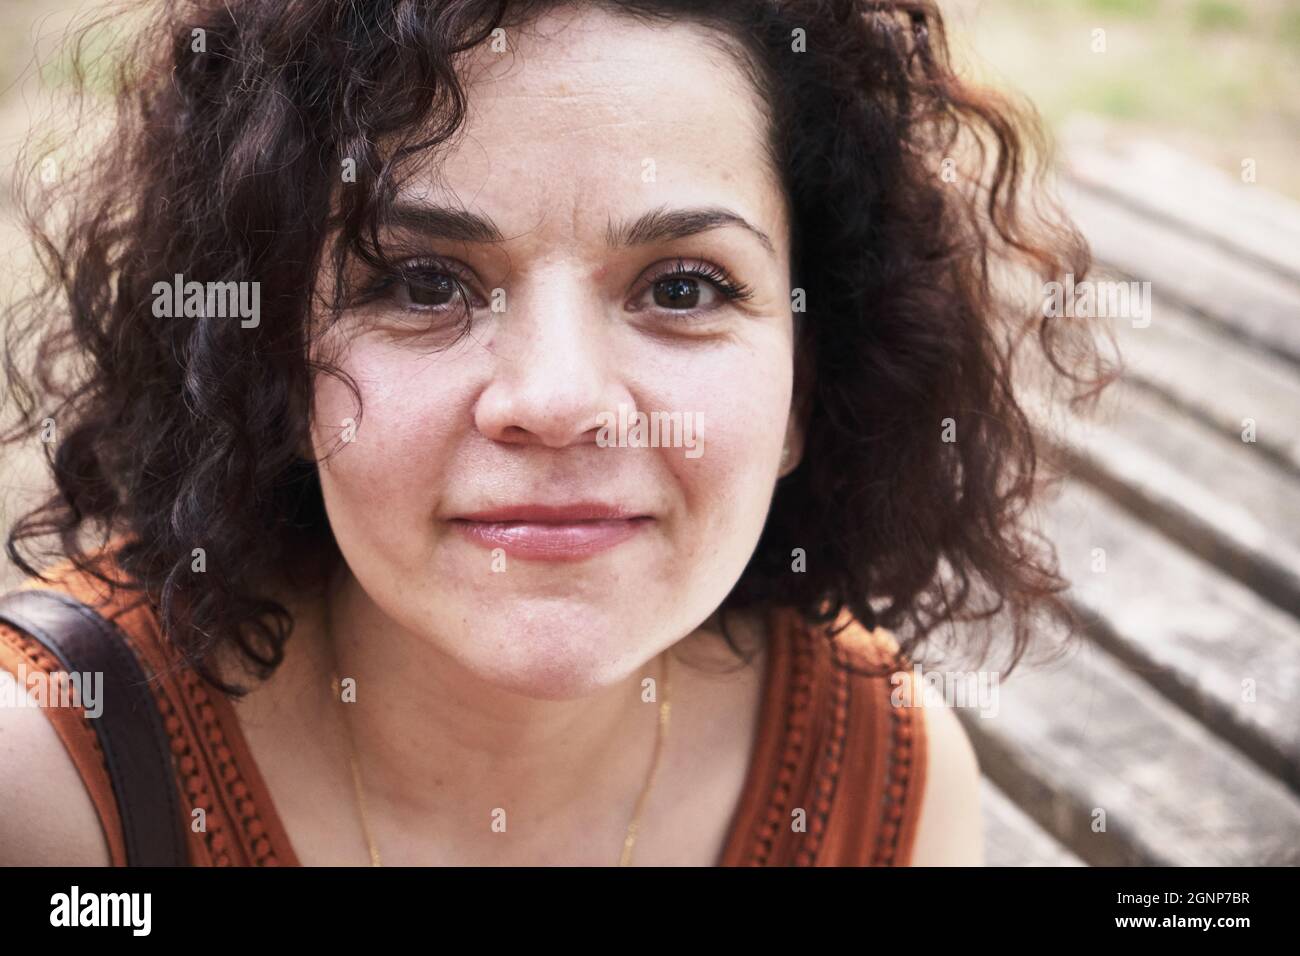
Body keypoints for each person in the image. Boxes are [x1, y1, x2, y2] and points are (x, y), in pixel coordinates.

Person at [0, 0, 1110, 866]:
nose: (558, 397)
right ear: (272, 369)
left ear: (804, 388)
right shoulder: (55, 778)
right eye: (424, 280)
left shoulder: (885, 776)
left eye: (681, 287)